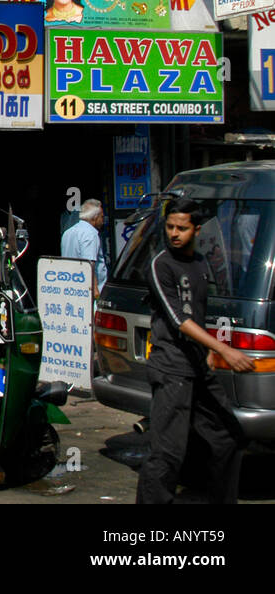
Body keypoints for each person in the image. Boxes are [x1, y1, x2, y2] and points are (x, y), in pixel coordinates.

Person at [137, 198, 253, 504]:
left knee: (228, 436)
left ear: (197, 230)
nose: (174, 233)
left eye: (182, 228)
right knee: (167, 454)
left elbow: (200, 312)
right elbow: (180, 320)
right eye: (170, 227)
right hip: (171, 368)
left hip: (198, 366)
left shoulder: (201, 263)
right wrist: (224, 350)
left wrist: (210, 351)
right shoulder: (160, 264)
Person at [61, 198, 107, 293]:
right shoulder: (90, 234)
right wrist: (95, 291)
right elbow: (89, 264)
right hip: (88, 292)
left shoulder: (68, 232)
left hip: (72, 289)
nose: (103, 221)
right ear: (95, 217)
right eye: (102, 217)